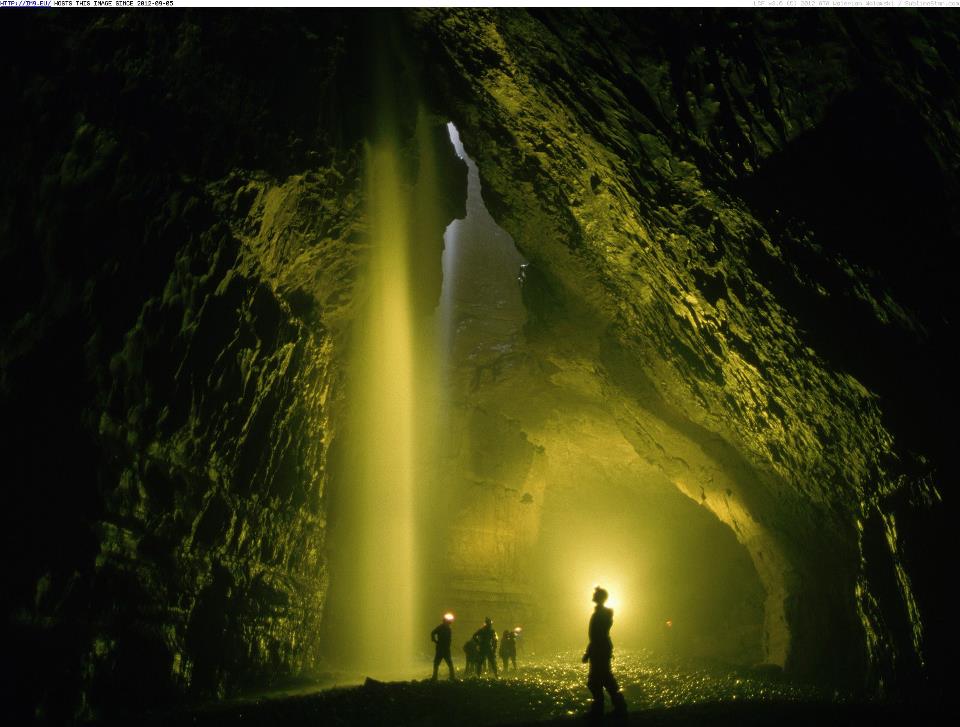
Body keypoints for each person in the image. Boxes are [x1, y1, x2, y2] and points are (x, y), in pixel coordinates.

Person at [582, 586, 626, 718]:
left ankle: (603, 709)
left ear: (600, 597)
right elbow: (597, 635)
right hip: (601, 648)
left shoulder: (601, 614)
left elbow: (597, 635)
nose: (593, 595)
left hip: (599, 649)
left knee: (598, 680)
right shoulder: (603, 613)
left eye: (596, 594)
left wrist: (589, 652)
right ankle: (617, 707)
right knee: (603, 679)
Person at [431, 612, 456, 681]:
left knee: (449, 663)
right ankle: (435, 677)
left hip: (445, 649)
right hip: (441, 649)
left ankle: (452, 677)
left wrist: (435, 641)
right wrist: (435, 641)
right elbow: (432, 633)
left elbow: (449, 639)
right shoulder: (440, 628)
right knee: (437, 663)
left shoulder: (448, 629)